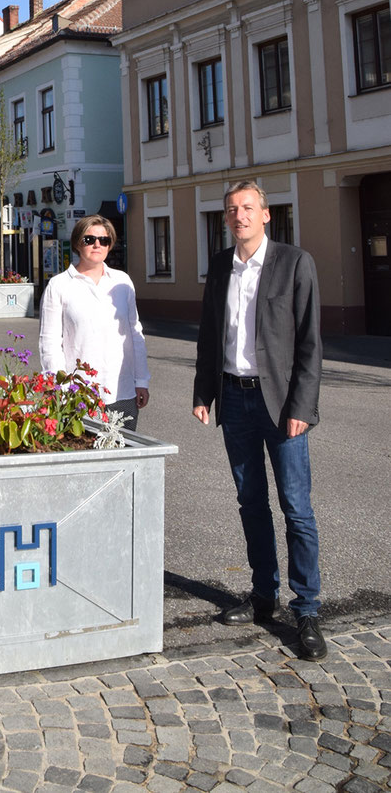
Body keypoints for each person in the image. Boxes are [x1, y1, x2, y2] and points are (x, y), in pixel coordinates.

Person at [193, 179, 326, 661]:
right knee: (251, 503)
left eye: (248, 208)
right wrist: (204, 391)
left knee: (296, 508)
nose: (239, 216)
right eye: (231, 210)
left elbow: (310, 342)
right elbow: (210, 336)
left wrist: (302, 408)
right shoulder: (219, 267)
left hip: (282, 405)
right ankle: (264, 596)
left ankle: (307, 608)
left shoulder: (294, 263)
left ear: (265, 214)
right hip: (235, 400)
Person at [38, 214, 150, 428]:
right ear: (78, 243)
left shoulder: (122, 282)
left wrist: (141, 380)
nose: (97, 245)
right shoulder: (59, 285)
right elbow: (49, 343)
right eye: (90, 239)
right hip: (79, 395)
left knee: (123, 457)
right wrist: (58, 387)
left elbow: (135, 334)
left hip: (122, 391)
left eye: (104, 240)